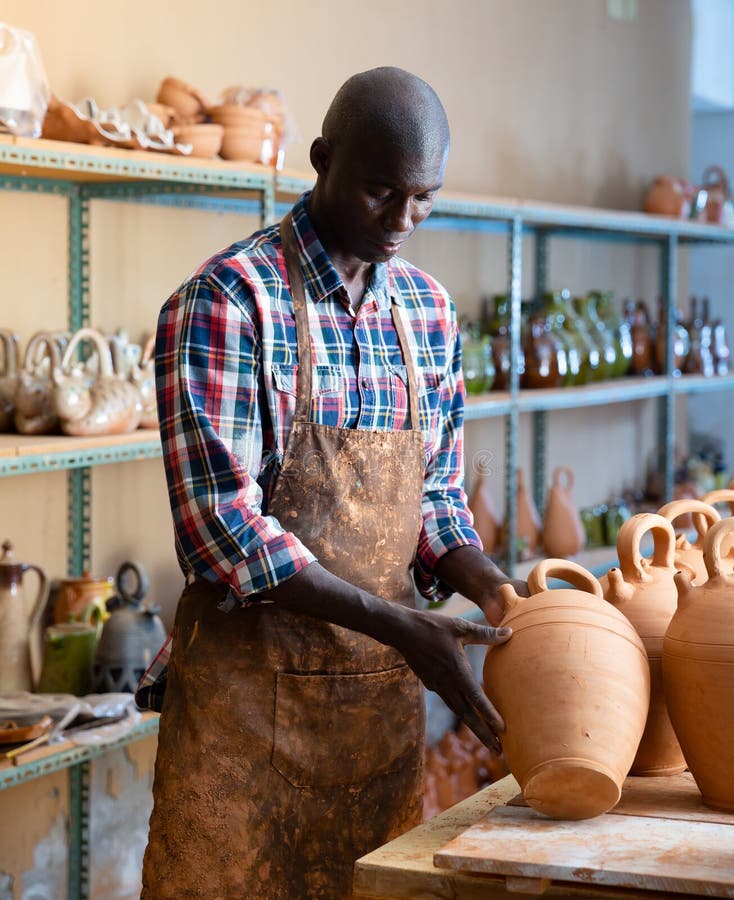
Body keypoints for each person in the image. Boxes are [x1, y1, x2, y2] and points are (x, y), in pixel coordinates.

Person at [139, 66, 527, 899]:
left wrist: (498, 593)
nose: (402, 222)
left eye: (424, 199)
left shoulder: (425, 311)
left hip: (372, 720)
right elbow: (222, 531)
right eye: (381, 190)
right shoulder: (228, 303)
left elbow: (434, 500)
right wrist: (404, 627)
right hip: (241, 724)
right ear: (321, 159)